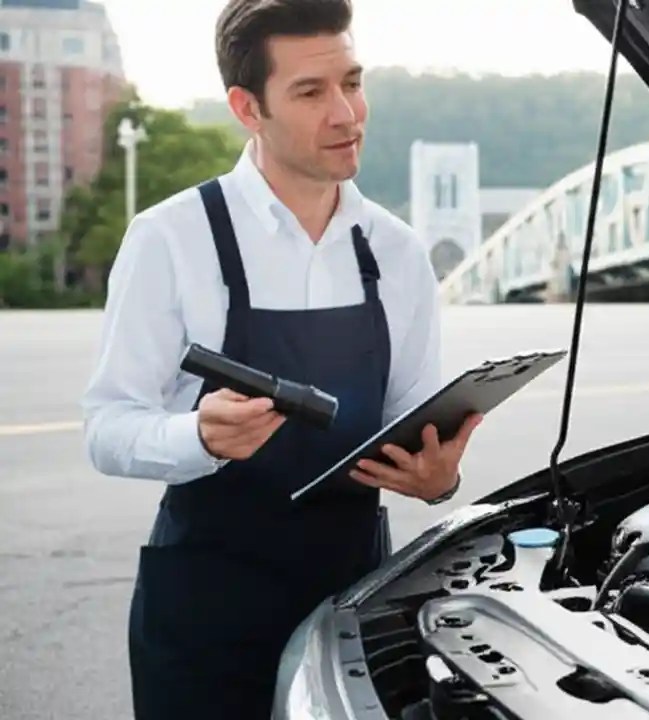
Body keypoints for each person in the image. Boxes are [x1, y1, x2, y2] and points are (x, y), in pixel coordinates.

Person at [79, 1, 482, 717]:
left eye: (352, 83)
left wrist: (437, 478)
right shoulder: (170, 239)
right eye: (310, 91)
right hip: (204, 613)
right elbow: (107, 427)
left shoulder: (397, 253)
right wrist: (196, 436)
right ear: (247, 107)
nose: (346, 114)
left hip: (354, 604)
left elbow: (413, 424)